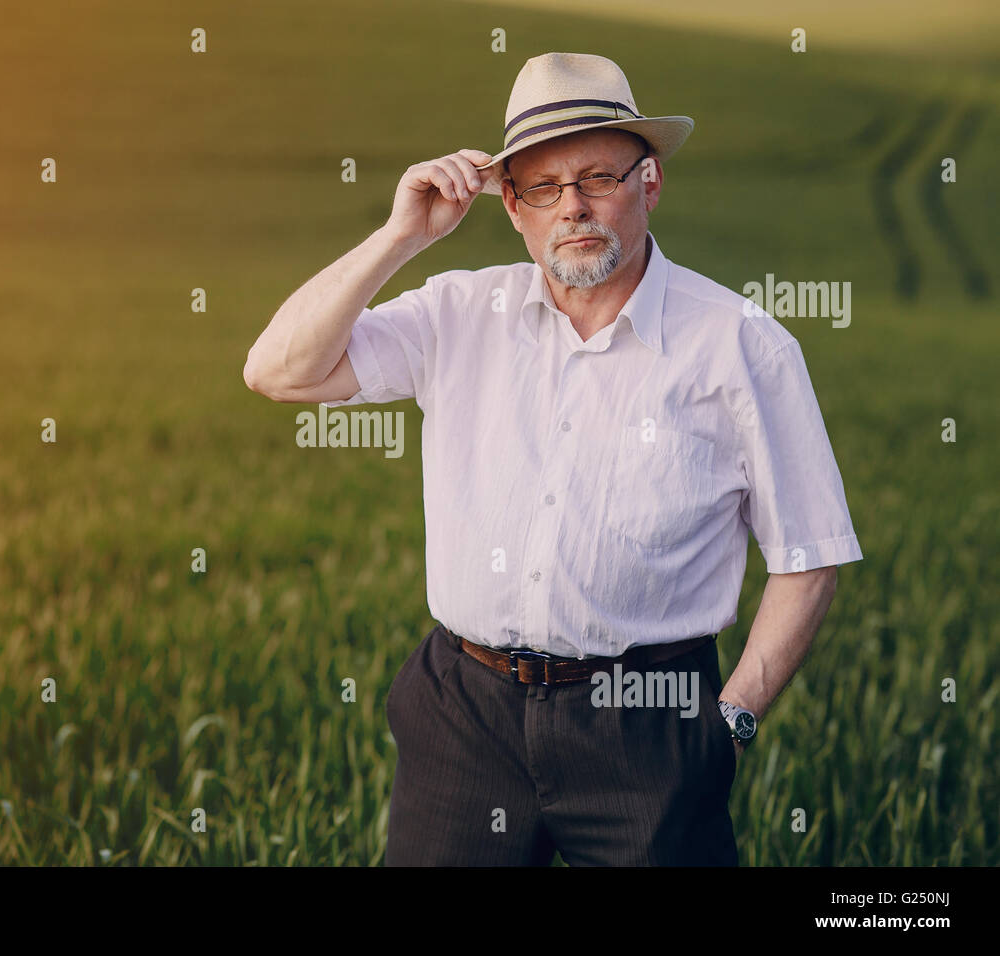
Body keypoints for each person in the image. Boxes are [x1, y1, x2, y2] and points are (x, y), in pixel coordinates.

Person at [242, 52, 862, 865]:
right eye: (543, 187)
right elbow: (278, 371)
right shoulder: (460, 312)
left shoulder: (743, 348)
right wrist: (401, 237)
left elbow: (809, 559)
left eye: (599, 177)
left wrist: (731, 721)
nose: (573, 208)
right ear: (512, 206)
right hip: (465, 715)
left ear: (650, 183)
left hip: (650, 723)